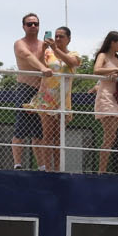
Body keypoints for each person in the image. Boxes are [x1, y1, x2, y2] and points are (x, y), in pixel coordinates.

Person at [39, 26, 82, 170]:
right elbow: (39, 65)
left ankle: (57, 168)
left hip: (64, 100)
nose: (57, 39)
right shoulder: (48, 53)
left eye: (61, 36)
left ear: (69, 39)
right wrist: (44, 48)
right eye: (56, 36)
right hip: (47, 98)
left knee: (58, 138)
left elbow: (72, 63)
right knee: (47, 136)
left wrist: (56, 49)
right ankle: (48, 169)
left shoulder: (74, 54)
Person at [11, 13, 49, 168]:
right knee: (21, 127)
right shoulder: (19, 43)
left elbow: (45, 63)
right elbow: (27, 56)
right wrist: (42, 68)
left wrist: (49, 49)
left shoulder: (43, 44)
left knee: (39, 131)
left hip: (41, 89)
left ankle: (41, 166)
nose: (33, 26)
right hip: (25, 88)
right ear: (23, 26)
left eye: (36, 24)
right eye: (29, 24)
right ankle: (17, 164)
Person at [91, 31, 118, 172]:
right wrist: (115, 69)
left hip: (115, 98)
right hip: (105, 96)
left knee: (112, 136)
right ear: (112, 42)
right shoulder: (103, 55)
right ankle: (102, 170)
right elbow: (97, 70)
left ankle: (103, 169)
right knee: (109, 135)